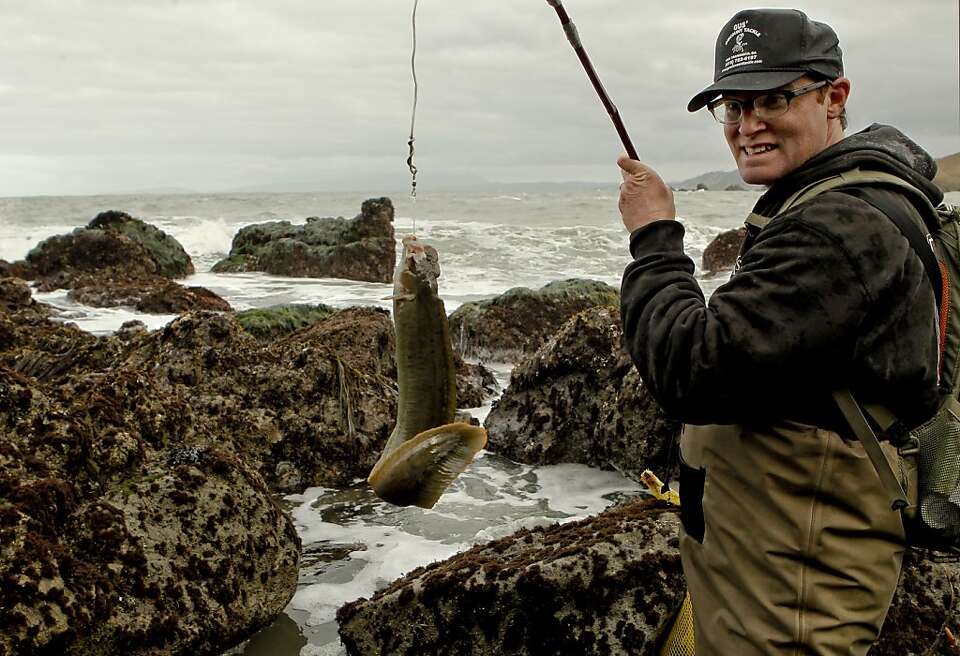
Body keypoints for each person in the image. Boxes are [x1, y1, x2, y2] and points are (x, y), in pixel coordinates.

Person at [617, 8, 944, 655]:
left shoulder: (839, 226)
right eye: (734, 107)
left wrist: (654, 237)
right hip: (768, 555)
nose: (748, 125)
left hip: (794, 582)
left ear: (834, 96)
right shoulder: (833, 200)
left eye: (772, 99)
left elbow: (694, 370)